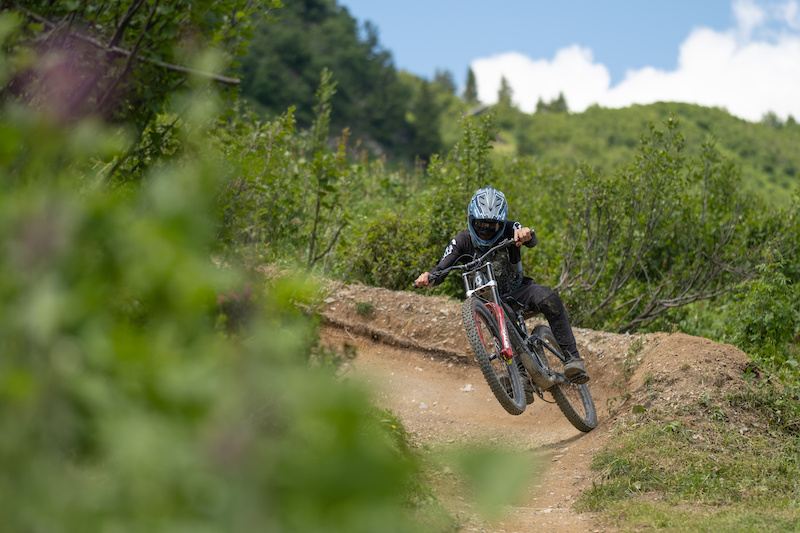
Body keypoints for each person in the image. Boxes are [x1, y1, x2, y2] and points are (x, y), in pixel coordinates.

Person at [414, 186, 589, 385]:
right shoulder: (462, 241)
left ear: (502, 222)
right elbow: (443, 266)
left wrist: (525, 235)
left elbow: (529, 237)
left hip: (519, 290)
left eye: (492, 226)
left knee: (549, 298)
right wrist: (430, 276)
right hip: (492, 303)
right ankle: (520, 376)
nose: (486, 230)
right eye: (481, 224)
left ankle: (573, 359)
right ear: (471, 219)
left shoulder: (510, 228)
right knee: (501, 316)